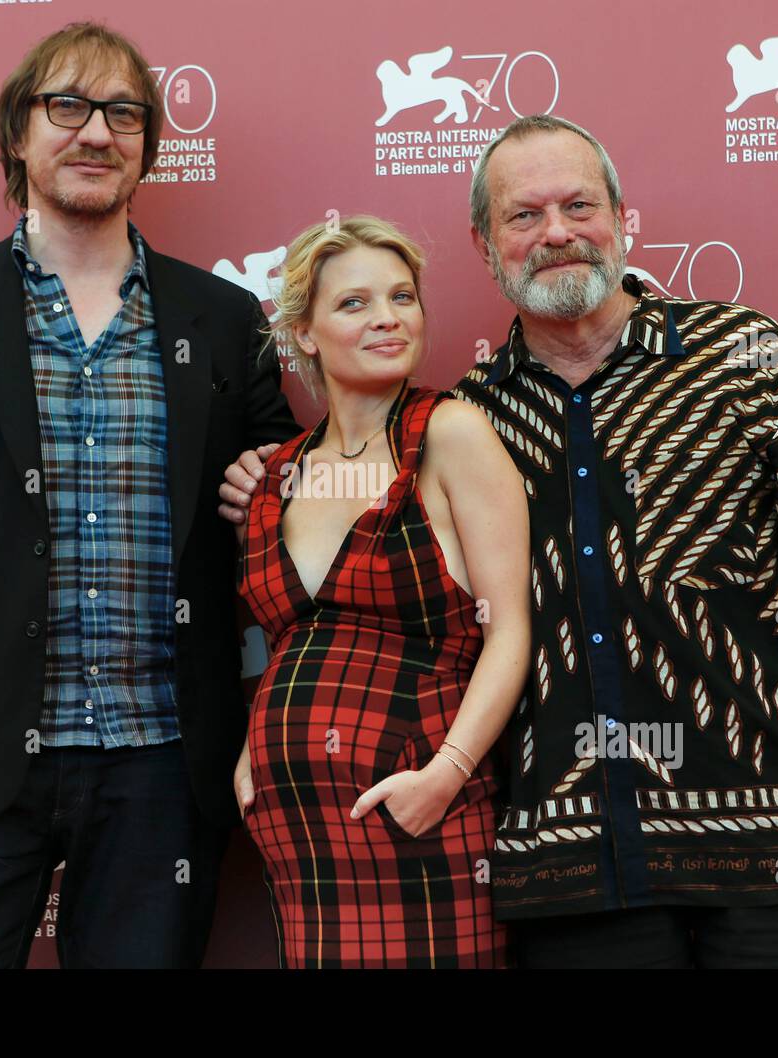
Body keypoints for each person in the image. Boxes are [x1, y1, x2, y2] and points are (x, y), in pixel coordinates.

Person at [220, 117, 778, 969]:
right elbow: (362, 548)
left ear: (624, 218)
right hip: (571, 872)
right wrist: (267, 475)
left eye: (578, 205)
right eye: (523, 217)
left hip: (774, 848)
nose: (555, 233)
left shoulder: (751, 358)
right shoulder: (466, 419)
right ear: (487, 247)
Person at [0, 21, 299, 968]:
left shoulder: (220, 316)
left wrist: (276, 477)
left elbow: (294, 502)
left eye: (123, 113)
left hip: (162, 764)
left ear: (146, 146)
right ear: (19, 134)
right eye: (68, 106)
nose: (96, 132)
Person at [232, 216, 530, 967]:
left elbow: (511, 631)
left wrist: (445, 776)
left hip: (424, 815)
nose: (388, 317)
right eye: (355, 303)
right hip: (298, 828)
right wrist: (248, 758)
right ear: (304, 332)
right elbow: (288, 646)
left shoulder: (452, 432)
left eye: (402, 296)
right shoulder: (279, 472)